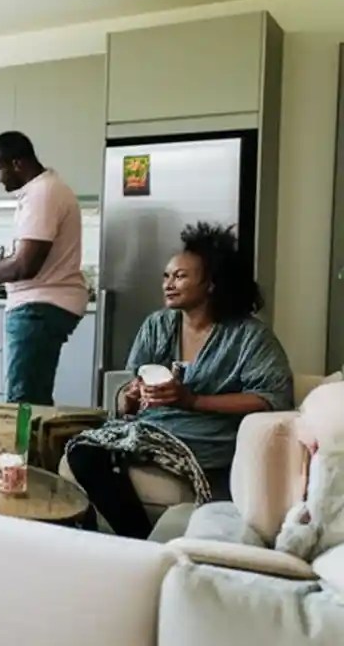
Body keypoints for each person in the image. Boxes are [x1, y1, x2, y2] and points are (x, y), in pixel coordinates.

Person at [66, 222, 293, 539]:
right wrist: (129, 396)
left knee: (91, 457)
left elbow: (273, 398)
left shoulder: (249, 337)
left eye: (180, 276)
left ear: (211, 284)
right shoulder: (157, 325)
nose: (168, 284)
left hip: (209, 434)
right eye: (166, 276)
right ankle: (132, 539)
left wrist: (193, 401)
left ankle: (132, 542)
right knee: (81, 450)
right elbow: (129, 393)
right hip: (152, 425)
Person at [0, 131, 87, 406]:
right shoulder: (47, 189)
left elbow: (25, 265)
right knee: (34, 397)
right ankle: (36, 450)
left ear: (17, 163)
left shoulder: (42, 194)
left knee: (24, 402)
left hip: (38, 306)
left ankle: (23, 451)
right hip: (44, 305)